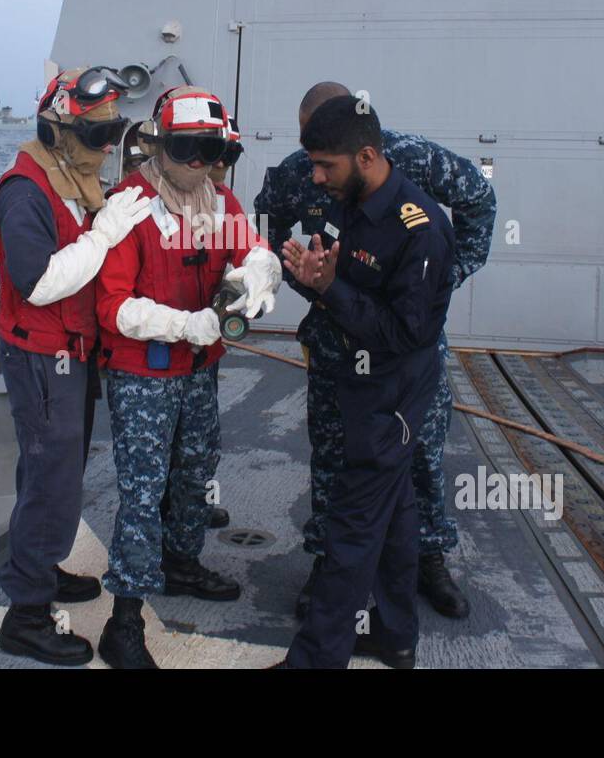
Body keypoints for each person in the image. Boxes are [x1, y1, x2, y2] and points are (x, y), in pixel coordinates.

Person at [254, 82, 495, 620]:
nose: (314, 170)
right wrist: (302, 282)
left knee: (421, 454)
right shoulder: (301, 170)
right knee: (334, 457)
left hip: (407, 348)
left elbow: (478, 197)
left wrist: (444, 279)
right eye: (307, 149)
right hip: (338, 338)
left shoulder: (409, 156)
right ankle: (328, 561)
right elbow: (266, 219)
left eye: (324, 157)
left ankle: (428, 559)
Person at [94, 86, 282, 668]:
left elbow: (254, 252)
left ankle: (181, 562)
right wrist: (191, 325)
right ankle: (123, 622)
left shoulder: (219, 203)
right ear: (159, 147)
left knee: (197, 466)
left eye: (211, 152)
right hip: (143, 373)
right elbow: (115, 309)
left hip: (200, 369)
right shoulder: (128, 206)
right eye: (187, 150)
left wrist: (258, 275)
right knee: (144, 490)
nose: (199, 164)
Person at [278, 95, 456, 669]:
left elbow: (403, 333)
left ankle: (313, 660)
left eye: (326, 165)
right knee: (398, 515)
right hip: (361, 384)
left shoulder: (419, 230)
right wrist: (317, 278)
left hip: (392, 398)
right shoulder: (354, 200)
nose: (316, 176)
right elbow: (349, 289)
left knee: (351, 531)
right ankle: (395, 636)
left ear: (368, 155)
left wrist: (333, 291)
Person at [0, 67, 152, 665]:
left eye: (113, 131)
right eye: (96, 134)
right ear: (58, 131)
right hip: (41, 353)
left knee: (50, 471)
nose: (107, 146)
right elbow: (37, 282)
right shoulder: (26, 190)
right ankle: (26, 615)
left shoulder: (73, 182)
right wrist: (106, 232)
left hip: (72, 351)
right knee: (52, 481)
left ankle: (41, 569)